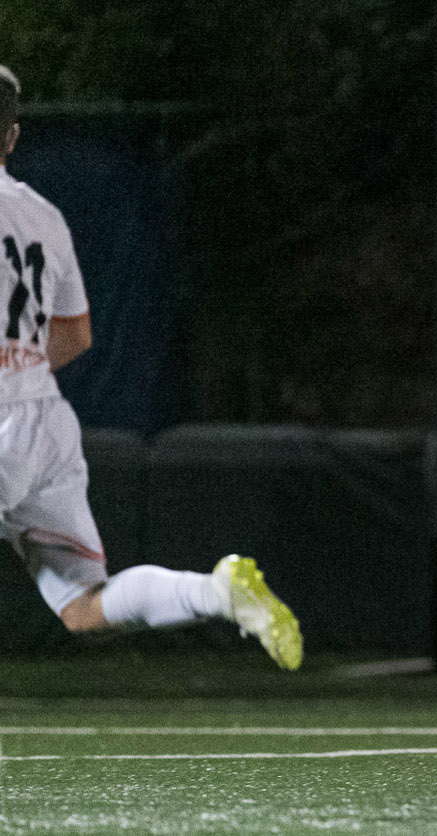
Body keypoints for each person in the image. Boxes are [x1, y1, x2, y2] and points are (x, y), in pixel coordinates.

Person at [0, 64, 302, 670]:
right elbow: (75, 334)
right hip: (43, 420)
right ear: (10, 136)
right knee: (83, 606)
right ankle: (214, 591)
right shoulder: (42, 215)